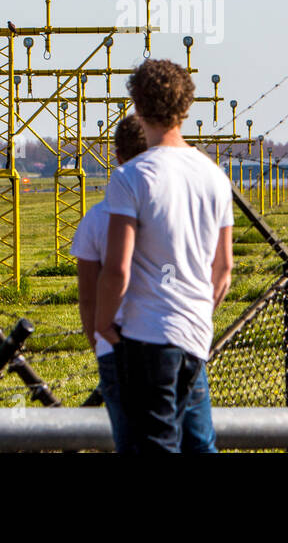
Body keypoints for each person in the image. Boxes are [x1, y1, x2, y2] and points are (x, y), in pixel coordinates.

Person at [94, 59, 234, 453]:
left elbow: (117, 269)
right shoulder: (214, 177)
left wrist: (103, 323)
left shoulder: (130, 178)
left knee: (154, 445)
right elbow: (223, 269)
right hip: (195, 334)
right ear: (186, 108)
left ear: (137, 109)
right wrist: (199, 311)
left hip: (146, 334)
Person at [74, 114, 219, 452]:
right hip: (182, 337)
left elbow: (89, 296)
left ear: (118, 156)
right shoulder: (179, 208)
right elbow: (215, 270)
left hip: (122, 344)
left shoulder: (97, 219)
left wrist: (101, 338)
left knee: (136, 443)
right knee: (198, 441)